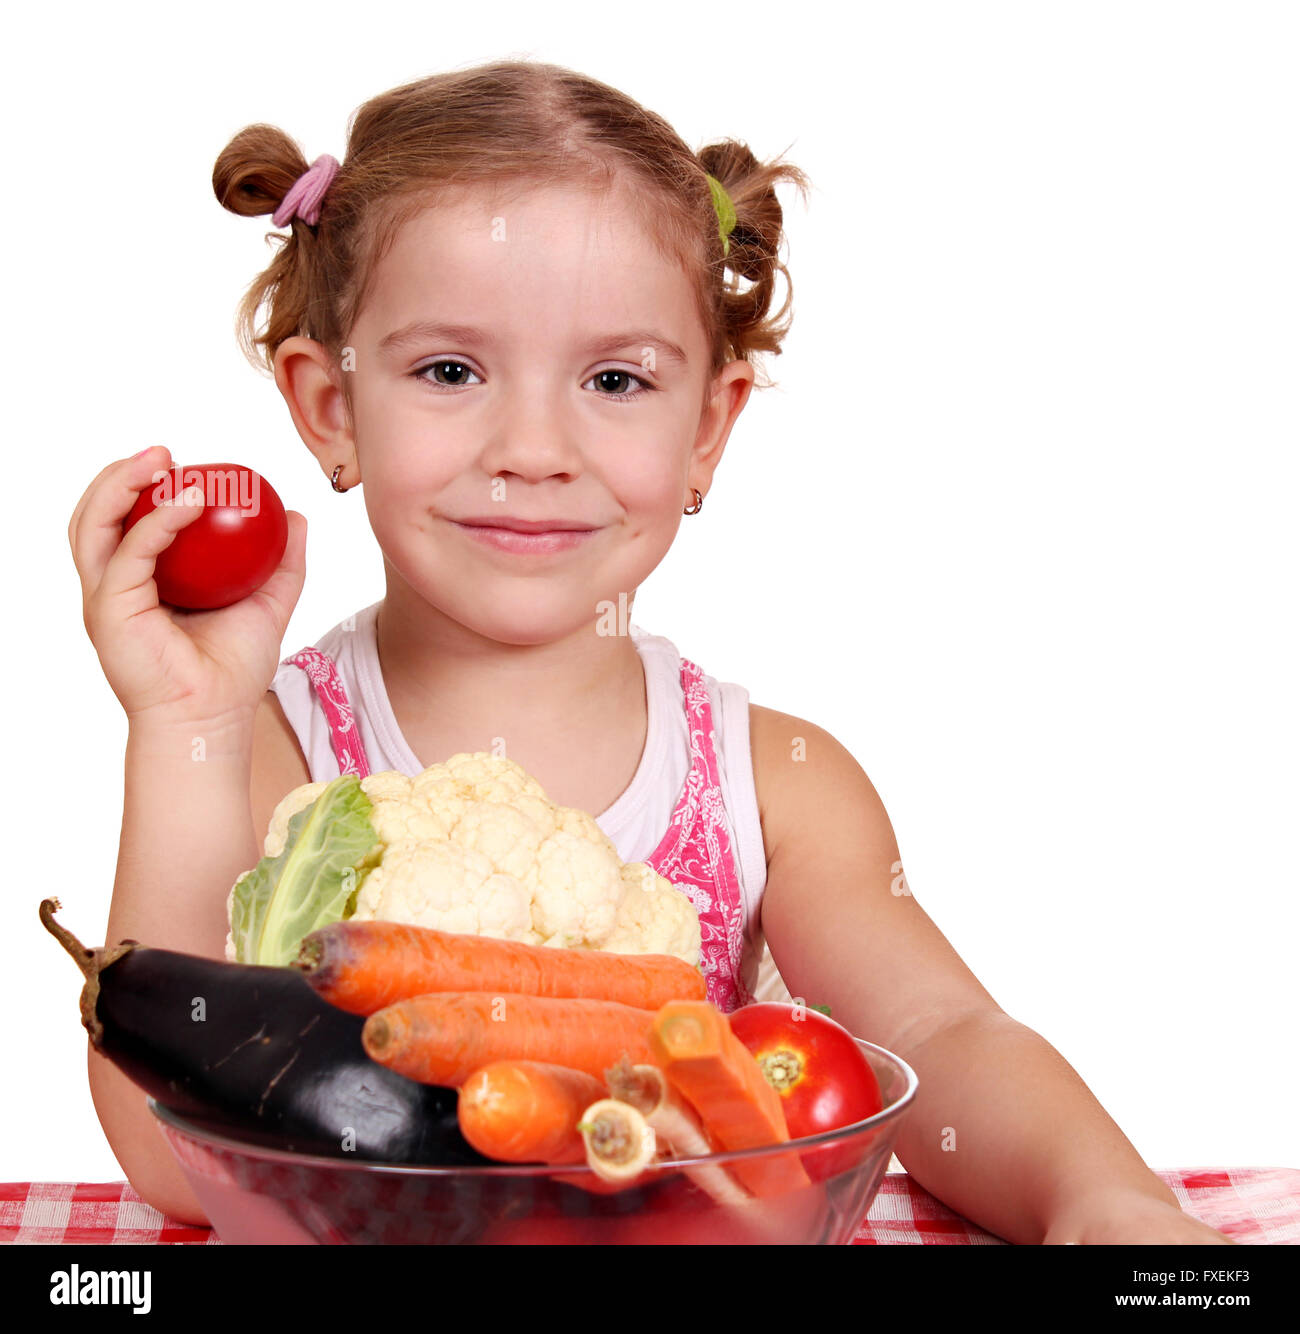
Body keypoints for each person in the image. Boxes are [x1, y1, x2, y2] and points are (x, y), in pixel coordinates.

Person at [68, 58, 1231, 1243]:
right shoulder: (274, 761)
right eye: (450, 371)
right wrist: (185, 723)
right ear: (331, 406)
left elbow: (942, 1037)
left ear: (707, 428)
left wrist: (1099, 1198)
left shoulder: (773, 787)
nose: (533, 447)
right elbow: (179, 1152)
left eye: (615, 378)